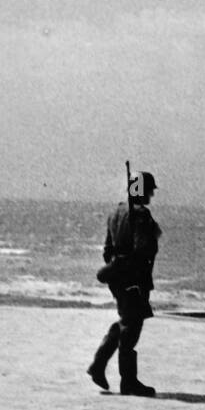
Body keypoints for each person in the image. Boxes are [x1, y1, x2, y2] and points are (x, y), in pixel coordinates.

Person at [87, 170, 161, 396]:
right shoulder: (140, 215)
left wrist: (114, 268)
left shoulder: (116, 213)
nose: (151, 194)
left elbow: (107, 250)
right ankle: (128, 381)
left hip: (118, 278)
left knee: (126, 321)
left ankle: (98, 365)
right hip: (133, 278)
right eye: (149, 189)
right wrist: (132, 274)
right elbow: (141, 251)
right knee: (132, 327)